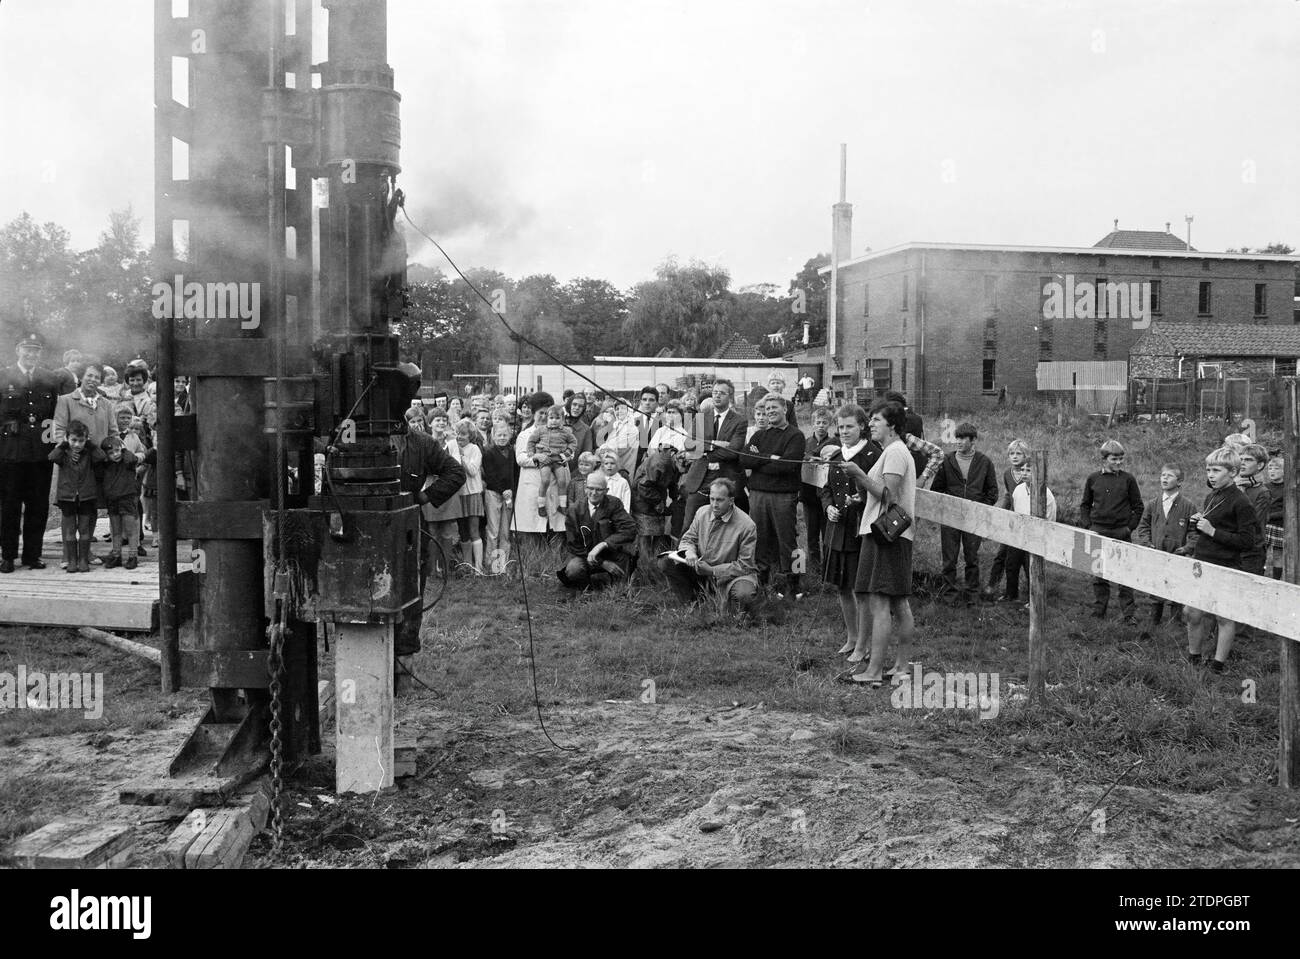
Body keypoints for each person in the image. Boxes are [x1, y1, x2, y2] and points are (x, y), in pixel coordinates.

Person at [836, 400, 917, 688]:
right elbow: (880, 493)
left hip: (887, 537)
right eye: (870, 420)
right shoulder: (891, 452)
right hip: (888, 535)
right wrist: (863, 496)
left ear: (892, 426)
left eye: (876, 420)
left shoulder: (895, 452)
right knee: (897, 602)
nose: (870, 424)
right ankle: (900, 667)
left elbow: (889, 495)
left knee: (880, 602)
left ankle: (873, 671)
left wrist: (858, 474)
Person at [392, 417, 465, 666]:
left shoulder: (422, 443)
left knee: (411, 594)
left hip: (410, 526)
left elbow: (456, 473)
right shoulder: (355, 437)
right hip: (366, 527)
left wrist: (425, 496)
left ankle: (404, 663)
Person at [1185, 447, 1260, 673]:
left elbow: (1247, 541)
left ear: (1233, 472)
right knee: (1192, 612)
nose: (1210, 475)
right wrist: (1198, 524)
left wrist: (1211, 531)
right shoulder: (1212, 495)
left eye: (1216, 470)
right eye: (1208, 469)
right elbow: (1210, 528)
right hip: (1203, 562)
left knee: (1223, 617)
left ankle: (1218, 665)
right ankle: (1194, 658)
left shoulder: (1241, 502)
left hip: (1226, 565)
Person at [820, 404, 881, 660]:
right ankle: (852, 637)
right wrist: (828, 507)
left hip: (861, 532)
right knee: (842, 587)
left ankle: (864, 645)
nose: (844, 432)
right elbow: (825, 489)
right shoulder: (836, 456)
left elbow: (882, 492)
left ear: (862, 427)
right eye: (841, 427)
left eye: (849, 427)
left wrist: (861, 500)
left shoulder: (873, 455)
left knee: (861, 590)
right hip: (837, 532)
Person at [0, 332, 63, 572]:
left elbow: (53, 417)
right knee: (10, 506)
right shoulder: (3, 376)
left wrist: (50, 446)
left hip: (39, 455)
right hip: (10, 454)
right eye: (27, 349)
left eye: (35, 350)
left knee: (38, 506)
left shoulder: (49, 379)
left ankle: (32, 555)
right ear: (18, 350)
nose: (31, 354)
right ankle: (7, 555)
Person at [737, 393, 806, 598]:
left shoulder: (796, 436)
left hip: (784, 496)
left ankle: (795, 585)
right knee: (760, 539)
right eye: (767, 410)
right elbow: (744, 459)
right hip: (758, 495)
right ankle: (763, 583)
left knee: (789, 541)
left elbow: (786, 466)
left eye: (774, 408)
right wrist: (769, 458)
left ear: (785, 409)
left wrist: (760, 461)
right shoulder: (759, 435)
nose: (770, 412)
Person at [658, 477, 759, 614]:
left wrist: (712, 570)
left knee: (744, 594)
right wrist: (689, 552)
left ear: (731, 500)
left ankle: (732, 613)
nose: (714, 505)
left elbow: (745, 565)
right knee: (665, 562)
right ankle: (693, 604)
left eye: (720, 500)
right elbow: (689, 538)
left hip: (732, 575)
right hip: (701, 567)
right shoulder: (702, 512)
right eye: (712, 499)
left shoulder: (747, 525)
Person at [930, 422, 998, 602]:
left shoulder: (984, 462)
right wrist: (948, 506)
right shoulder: (947, 461)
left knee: (972, 558)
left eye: (963, 439)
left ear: (973, 440)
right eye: (957, 438)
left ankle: (972, 595)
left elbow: (992, 492)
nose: (958, 442)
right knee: (949, 558)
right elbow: (937, 489)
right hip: (950, 517)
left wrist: (978, 508)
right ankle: (949, 595)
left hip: (973, 518)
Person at [1079, 439, 1144, 622]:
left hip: (1121, 532)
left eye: (1121, 459)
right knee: (1098, 573)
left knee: (1124, 574)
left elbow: (1138, 506)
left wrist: (1129, 528)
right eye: (1114, 459)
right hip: (1098, 530)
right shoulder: (1093, 478)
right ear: (1104, 459)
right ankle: (1099, 610)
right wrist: (1088, 526)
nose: (1118, 463)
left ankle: (1128, 614)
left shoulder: (1128, 479)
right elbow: (1085, 505)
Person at [1133, 464, 1196, 627]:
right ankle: (1154, 620)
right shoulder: (1153, 504)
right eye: (1163, 475)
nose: (1165, 478)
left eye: (1169, 476)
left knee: (1177, 586)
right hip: (1157, 553)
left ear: (1180, 481)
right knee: (1156, 586)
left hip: (1177, 555)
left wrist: (1187, 548)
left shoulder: (1188, 506)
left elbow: (1195, 532)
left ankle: (1175, 621)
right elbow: (1143, 526)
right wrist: (1147, 543)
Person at [680, 379, 747, 529]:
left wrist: (704, 451)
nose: (717, 396)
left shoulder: (739, 421)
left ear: (730, 396)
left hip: (726, 478)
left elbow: (733, 451)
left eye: (722, 393)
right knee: (689, 526)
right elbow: (690, 446)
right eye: (715, 393)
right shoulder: (702, 417)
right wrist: (714, 444)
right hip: (700, 479)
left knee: (724, 528)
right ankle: (684, 552)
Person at [556, 470, 637, 592]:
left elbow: (630, 529)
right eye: (590, 488)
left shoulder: (614, 504)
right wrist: (602, 563)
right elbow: (574, 545)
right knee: (573, 569)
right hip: (585, 555)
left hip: (613, 553)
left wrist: (603, 545)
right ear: (585, 488)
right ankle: (588, 588)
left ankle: (615, 586)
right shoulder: (574, 510)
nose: (594, 493)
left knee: (621, 588)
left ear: (606, 491)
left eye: (599, 489)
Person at [49, 421, 105, 573]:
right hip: (67, 497)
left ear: (86, 440)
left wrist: (90, 445)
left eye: (81, 441)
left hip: (86, 496)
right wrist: (64, 446)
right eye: (74, 440)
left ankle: (83, 559)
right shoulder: (63, 454)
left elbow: (101, 456)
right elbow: (51, 456)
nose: (77, 444)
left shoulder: (89, 453)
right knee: (70, 530)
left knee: (84, 528)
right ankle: (72, 559)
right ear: (67, 438)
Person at [1000, 462, 1057, 604]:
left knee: (1031, 567)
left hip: (1035, 536)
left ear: (1037, 473)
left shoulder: (1046, 494)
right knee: (1011, 564)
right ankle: (1011, 595)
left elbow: (1050, 517)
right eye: (1022, 470)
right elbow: (1014, 510)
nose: (1024, 473)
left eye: (1028, 470)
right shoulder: (1018, 490)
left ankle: (1034, 600)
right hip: (1018, 534)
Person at [981, 439, 1031, 601]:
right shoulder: (1007, 474)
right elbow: (1008, 496)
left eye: (1018, 453)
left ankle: (1032, 592)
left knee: (1026, 559)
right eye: (1011, 453)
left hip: (1028, 521)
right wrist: (1002, 514)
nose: (1015, 457)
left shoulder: (1029, 473)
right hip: (1011, 520)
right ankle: (992, 586)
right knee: (1002, 554)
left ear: (1025, 455)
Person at [514, 392, 566, 542]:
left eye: (547, 413)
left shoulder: (559, 433)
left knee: (554, 529)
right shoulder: (525, 435)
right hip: (533, 484)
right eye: (541, 413)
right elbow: (521, 458)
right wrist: (538, 459)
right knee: (534, 530)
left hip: (554, 484)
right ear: (533, 413)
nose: (544, 417)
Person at [631, 445, 680, 582]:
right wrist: (658, 503)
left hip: (655, 501)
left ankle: (657, 572)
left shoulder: (674, 462)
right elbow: (643, 486)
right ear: (677, 460)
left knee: (658, 536)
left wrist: (676, 497)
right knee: (645, 538)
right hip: (643, 503)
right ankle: (645, 574)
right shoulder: (661, 464)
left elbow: (672, 481)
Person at [424, 407, 464, 571]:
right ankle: (431, 569)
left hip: (448, 489)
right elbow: (425, 466)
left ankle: (445, 567)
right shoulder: (425, 441)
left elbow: (456, 466)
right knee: (432, 530)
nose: (441, 423)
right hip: (430, 486)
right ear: (430, 423)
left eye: (443, 420)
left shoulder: (452, 443)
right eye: (437, 420)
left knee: (448, 532)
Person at [97, 435, 142, 569]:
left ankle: (133, 556)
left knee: (131, 530)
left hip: (127, 498)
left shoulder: (127, 461)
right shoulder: (105, 466)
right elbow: (96, 459)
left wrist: (124, 450)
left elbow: (132, 458)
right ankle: (117, 555)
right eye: (111, 453)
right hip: (112, 500)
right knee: (115, 531)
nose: (115, 454)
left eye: (117, 451)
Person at [800, 406, 837, 570]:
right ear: (812, 424)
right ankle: (814, 566)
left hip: (826, 496)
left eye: (824, 422)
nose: (821, 425)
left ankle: (828, 566)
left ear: (829, 424)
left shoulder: (834, 443)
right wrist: (809, 458)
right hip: (808, 494)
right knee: (811, 533)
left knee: (826, 532)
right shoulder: (805, 443)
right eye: (818, 422)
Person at [527, 405, 578, 518]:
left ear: (562, 419)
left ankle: (562, 506)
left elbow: (573, 442)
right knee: (545, 480)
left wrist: (567, 453)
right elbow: (531, 441)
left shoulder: (565, 431)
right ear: (547, 419)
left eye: (557, 418)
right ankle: (541, 506)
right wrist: (533, 454)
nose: (553, 421)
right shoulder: (540, 430)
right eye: (551, 418)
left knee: (562, 481)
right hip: (545, 459)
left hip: (558, 460)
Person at [481, 422, 518, 573]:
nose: (502, 438)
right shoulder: (488, 452)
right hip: (494, 493)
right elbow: (490, 475)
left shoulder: (512, 452)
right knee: (493, 530)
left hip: (509, 494)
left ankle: (501, 565)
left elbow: (516, 473)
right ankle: (491, 564)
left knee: (505, 531)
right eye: (499, 435)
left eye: (505, 435)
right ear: (493, 436)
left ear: (510, 435)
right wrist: (503, 490)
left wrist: (511, 490)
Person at [1233, 443, 1271, 577]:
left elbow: (1253, 522)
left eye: (1248, 460)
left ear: (1260, 465)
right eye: (1241, 459)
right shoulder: (1234, 484)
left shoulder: (1262, 492)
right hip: (1232, 547)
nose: (1242, 463)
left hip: (1251, 551)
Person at [54, 364, 115, 447]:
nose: (93, 379)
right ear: (81, 377)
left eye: (97, 377)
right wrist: (68, 451)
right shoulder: (65, 401)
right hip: (75, 456)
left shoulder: (107, 404)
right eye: (89, 375)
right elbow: (59, 430)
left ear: (100, 382)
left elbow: (113, 432)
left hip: (101, 456)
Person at [454, 419, 485, 574]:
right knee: (462, 531)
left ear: (470, 435)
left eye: (463, 434)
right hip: (458, 494)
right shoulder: (452, 448)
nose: (460, 437)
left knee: (474, 530)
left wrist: (462, 456)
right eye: (458, 433)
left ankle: (478, 568)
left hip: (472, 494)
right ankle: (467, 565)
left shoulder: (474, 449)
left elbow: (473, 470)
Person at [1265, 454, 1284, 579]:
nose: (1272, 471)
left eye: (1276, 468)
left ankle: (1277, 580)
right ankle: (1259, 574)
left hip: (1279, 525)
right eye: (1270, 468)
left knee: (1278, 554)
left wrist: (1271, 516)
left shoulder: (1289, 488)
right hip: (1264, 525)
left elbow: (1287, 510)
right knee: (1261, 551)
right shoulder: (1265, 487)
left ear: (1284, 471)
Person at [633, 386, 662, 470]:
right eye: (644, 399)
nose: (647, 403)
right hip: (633, 465)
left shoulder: (663, 422)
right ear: (641, 402)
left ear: (657, 403)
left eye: (651, 400)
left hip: (653, 467)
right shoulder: (633, 420)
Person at [597, 447, 632, 512]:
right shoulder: (599, 480)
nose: (609, 466)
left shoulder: (623, 482)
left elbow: (626, 502)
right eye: (606, 463)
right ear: (602, 466)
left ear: (617, 465)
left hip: (618, 515)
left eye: (612, 463)